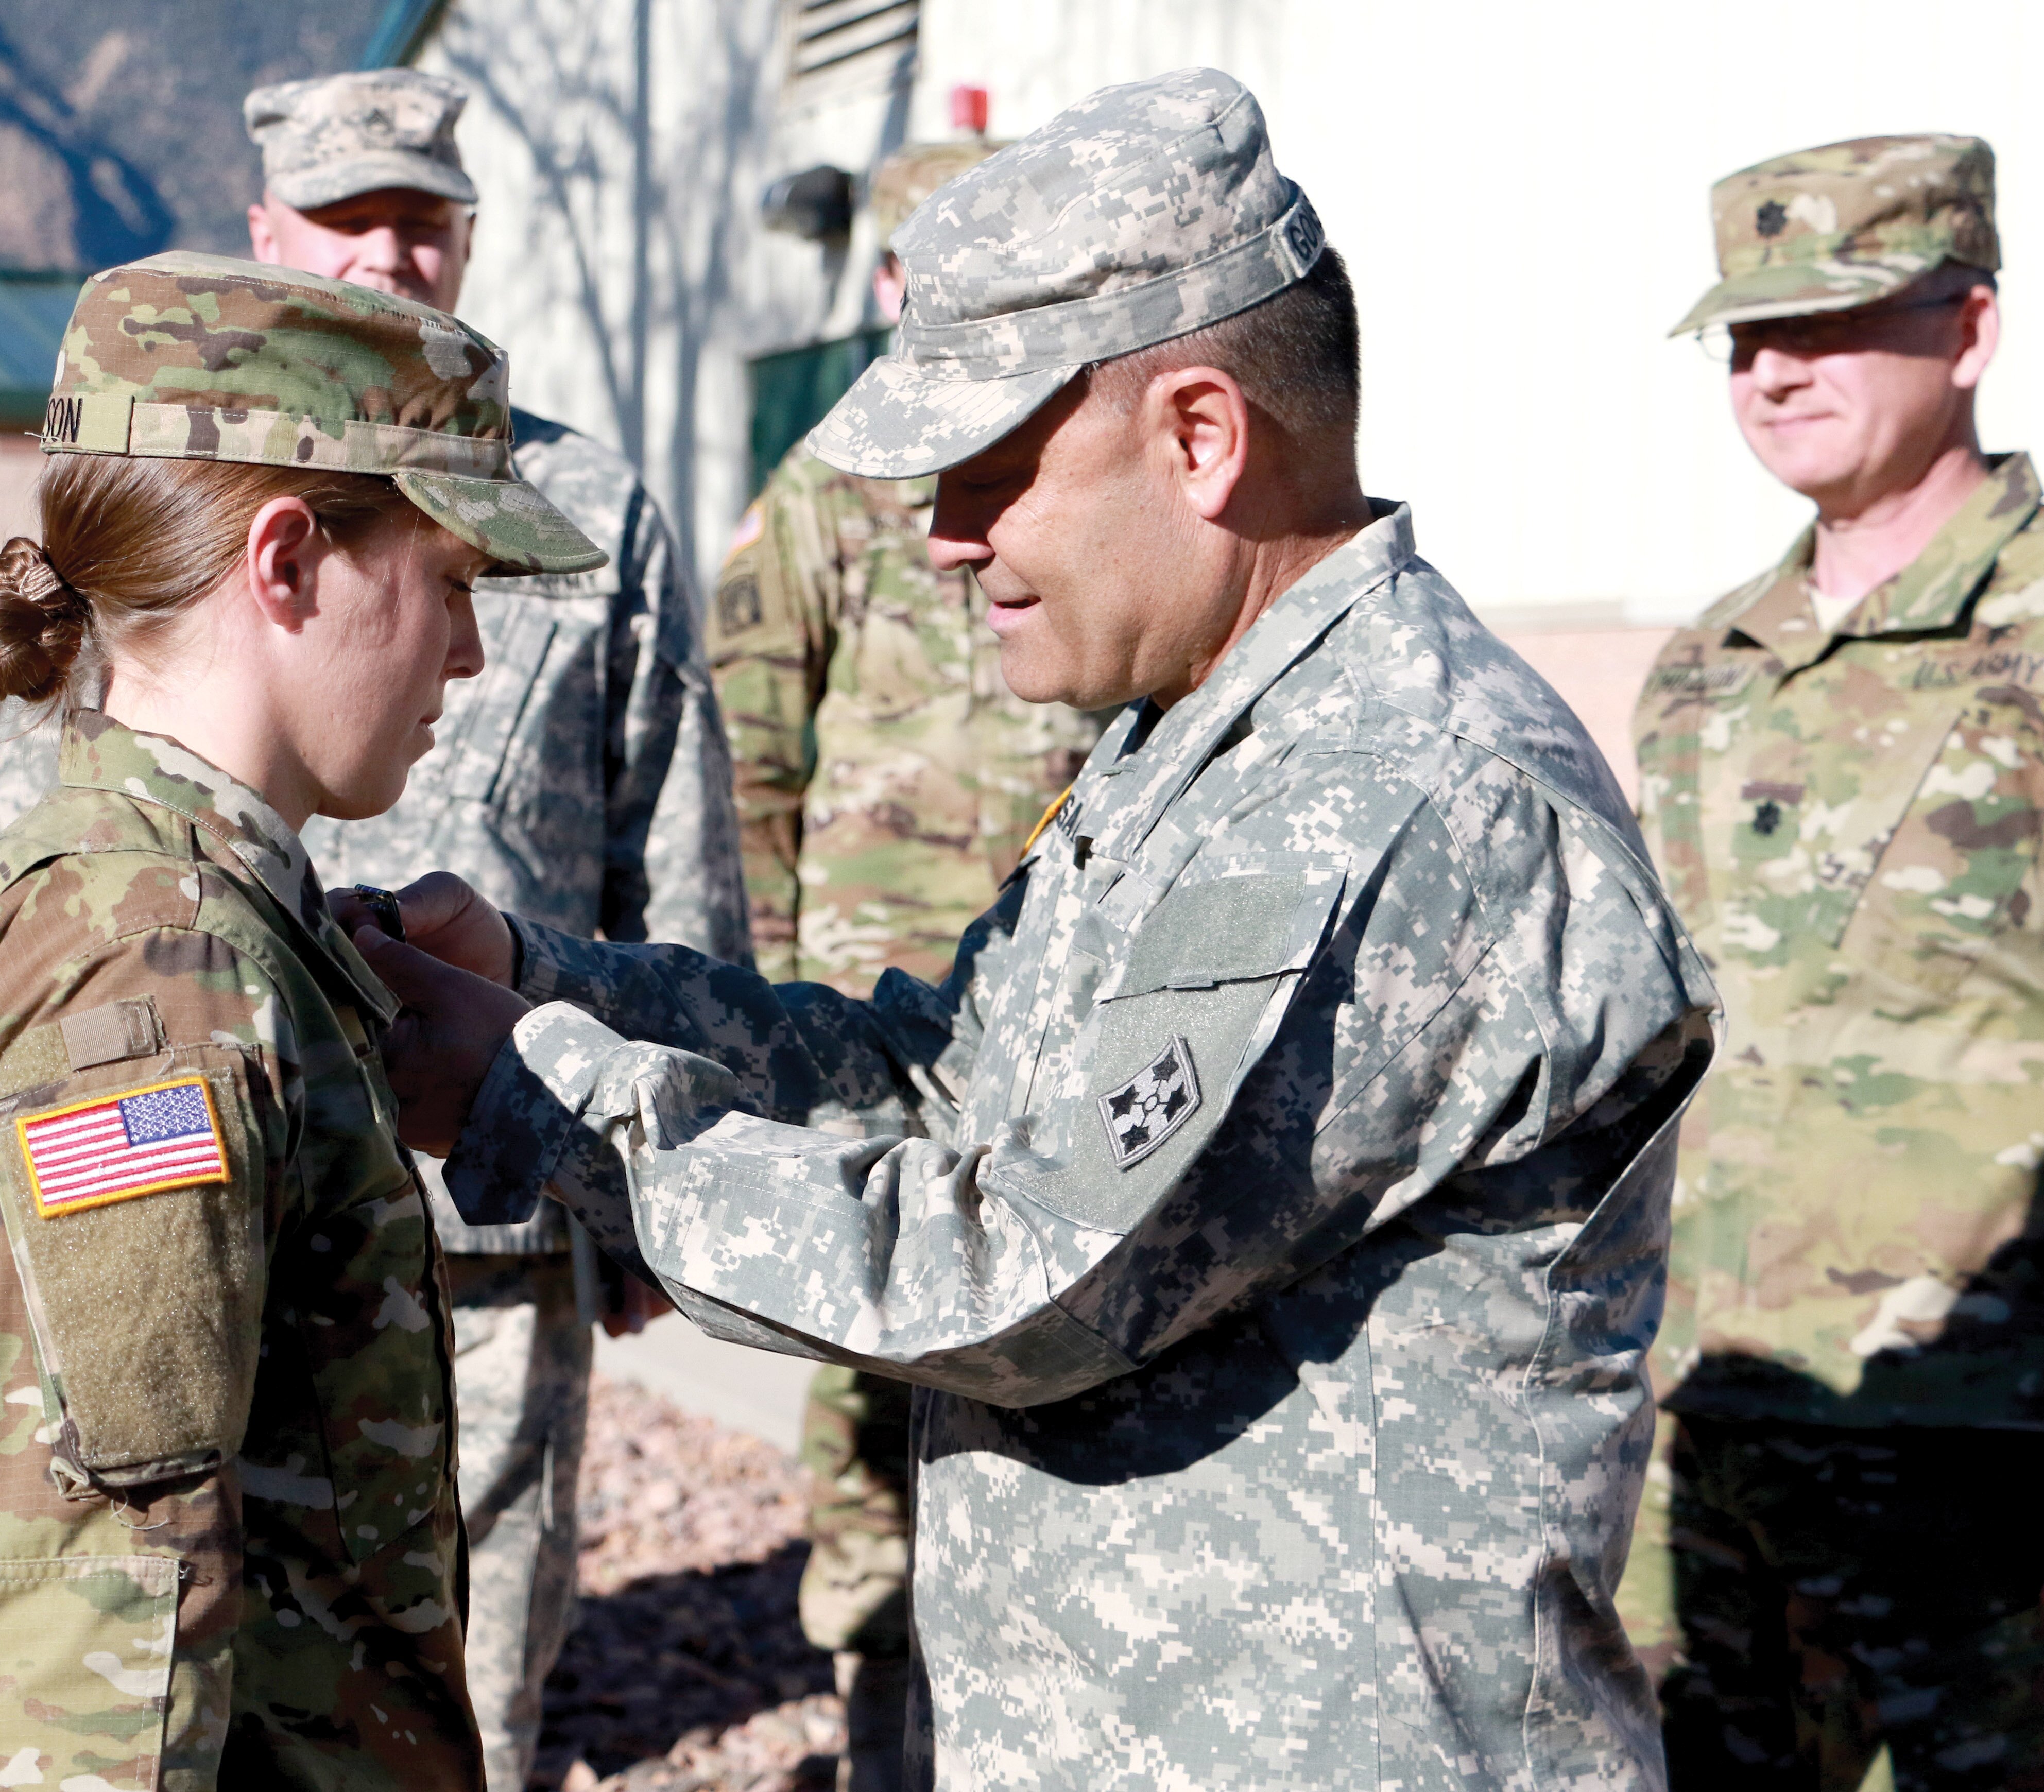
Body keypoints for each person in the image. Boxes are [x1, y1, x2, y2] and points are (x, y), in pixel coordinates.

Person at [350, 69, 1719, 1788]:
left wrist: (532, 1091)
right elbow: (950, 1076)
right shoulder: (1203, 740)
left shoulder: (1396, 796)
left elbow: (1010, 1271)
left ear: (1201, 439)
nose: (936, 540)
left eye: (987, 467)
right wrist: (556, 982)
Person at [0, 69, 749, 1788]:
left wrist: (648, 1172)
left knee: (464, 1643)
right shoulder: (165, 504)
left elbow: (670, 831)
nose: (392, 252)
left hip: (489, 1161)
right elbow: (88, 1598)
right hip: (227, 1112)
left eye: (425, 218)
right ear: (272, 235)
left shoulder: (592, 503)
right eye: (349, 220)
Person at [0, 253, 607, 1790]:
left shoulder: (168, 899)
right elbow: (83, 1665)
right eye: (449, 581)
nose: (466, 652)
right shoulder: (153, 967)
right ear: (289, 560)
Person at [1622, 135, 2044, 1789]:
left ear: (1968, 328)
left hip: (1984, 1450)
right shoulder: (1705, 668)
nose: (1774, 371)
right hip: (1715, 1426)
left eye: (1827, 323)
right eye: (1747, 338)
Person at [709, 135, 1104, 1792]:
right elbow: (750, 753)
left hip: (1064, 1024)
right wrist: (769, 1007)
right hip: (873, 1026)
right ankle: (888, 1741)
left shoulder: (1089, 481)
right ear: (883, 284)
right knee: (871, 1429)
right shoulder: (828, 487)